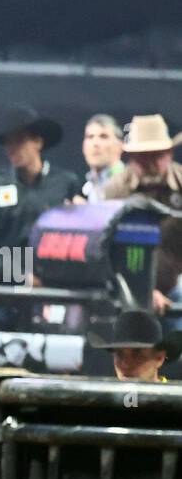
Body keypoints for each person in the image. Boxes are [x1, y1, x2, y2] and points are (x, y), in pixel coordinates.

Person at [0, 105, 82, 331]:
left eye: (18, 140)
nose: (11, 148)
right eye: (7, 143)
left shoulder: (66, 184)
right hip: (1, 291)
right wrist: (21, 276)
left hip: (52, 290)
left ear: (37, 142)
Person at [104, 115, 182, 321]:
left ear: (169, 154)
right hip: (126, 286)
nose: (149, 163)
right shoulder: (115, 190)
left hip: (177, 285)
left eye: (155, 155)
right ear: (131, 159)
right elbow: (106, 249)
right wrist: (146, 291)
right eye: (142, 157)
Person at [87, 307, 181, 383]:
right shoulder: (102, 399)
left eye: (137, 355)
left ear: (159, 358)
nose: (125, 364)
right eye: (119, 355)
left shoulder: (176, 400)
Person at [80, 114, 125, 203]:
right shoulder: (83, 188)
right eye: (90, 137)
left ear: (120, 146)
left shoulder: (131, 183)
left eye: (103, 136)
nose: (95, 143)